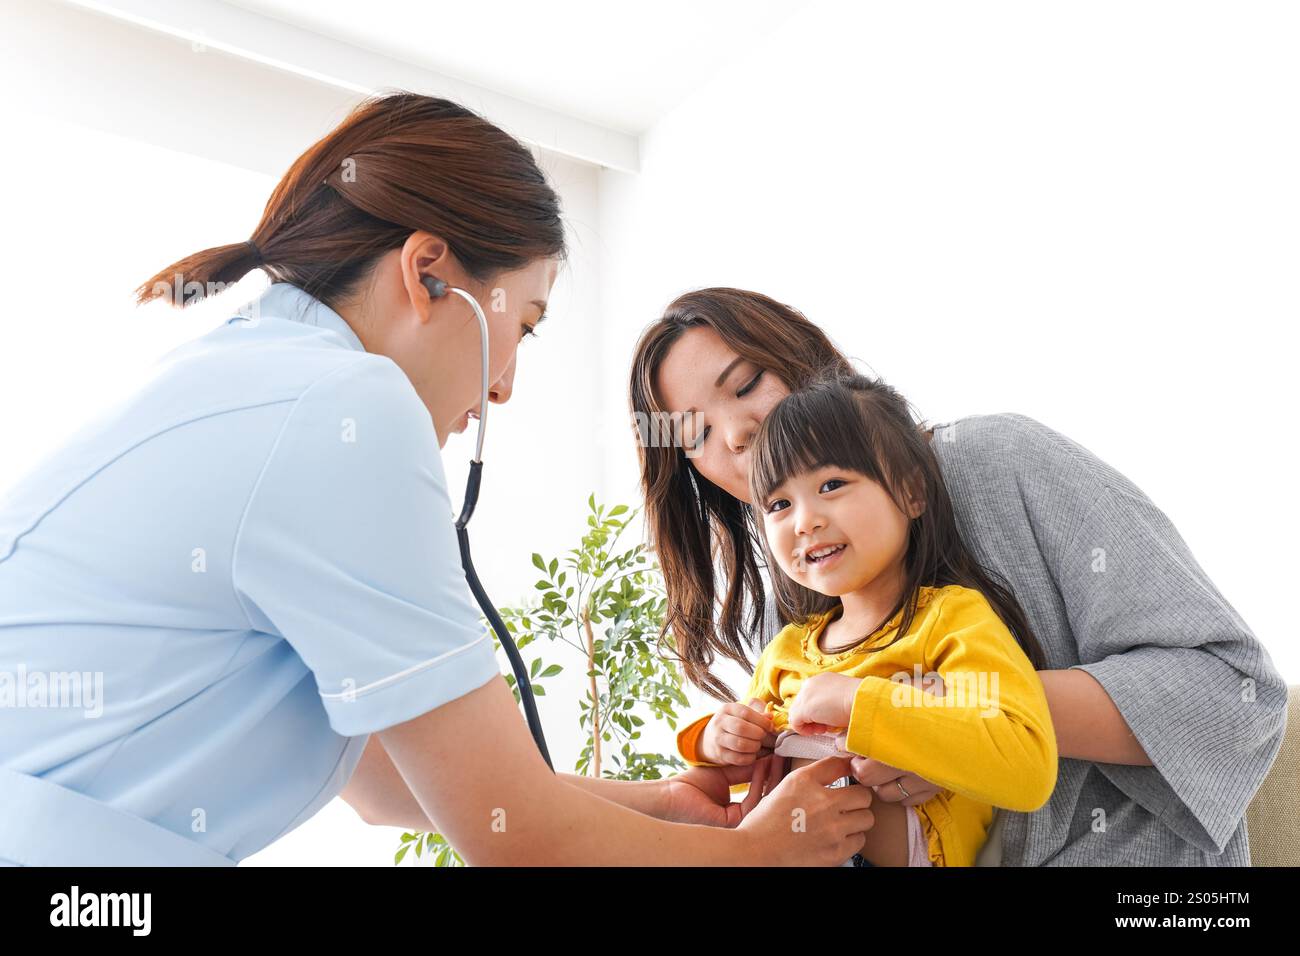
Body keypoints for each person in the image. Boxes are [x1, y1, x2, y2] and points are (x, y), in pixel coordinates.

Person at [0, 93, 874, 867]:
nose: (503, 388)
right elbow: (517, 838)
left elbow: (385, 784)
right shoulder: (343, 406)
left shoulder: (250, 378)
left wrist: (669, 809)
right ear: (428, 276)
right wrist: (762, 857)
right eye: (523, 326)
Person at [630, 287, 1288, 865]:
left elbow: (1233, 694)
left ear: (806, 361)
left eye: (746, 385)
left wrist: (928, 716)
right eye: (697, 436)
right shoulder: (787, 604)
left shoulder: (998, 463)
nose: (738, 435)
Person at [679, 372, 1058, 866]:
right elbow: (745, 747)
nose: (804, 521)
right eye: (779, 504)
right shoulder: (788, 649)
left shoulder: (952, 621)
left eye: (832, 484)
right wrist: (715, 738)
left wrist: (863, 702)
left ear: (910, 493)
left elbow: (1027, 768)